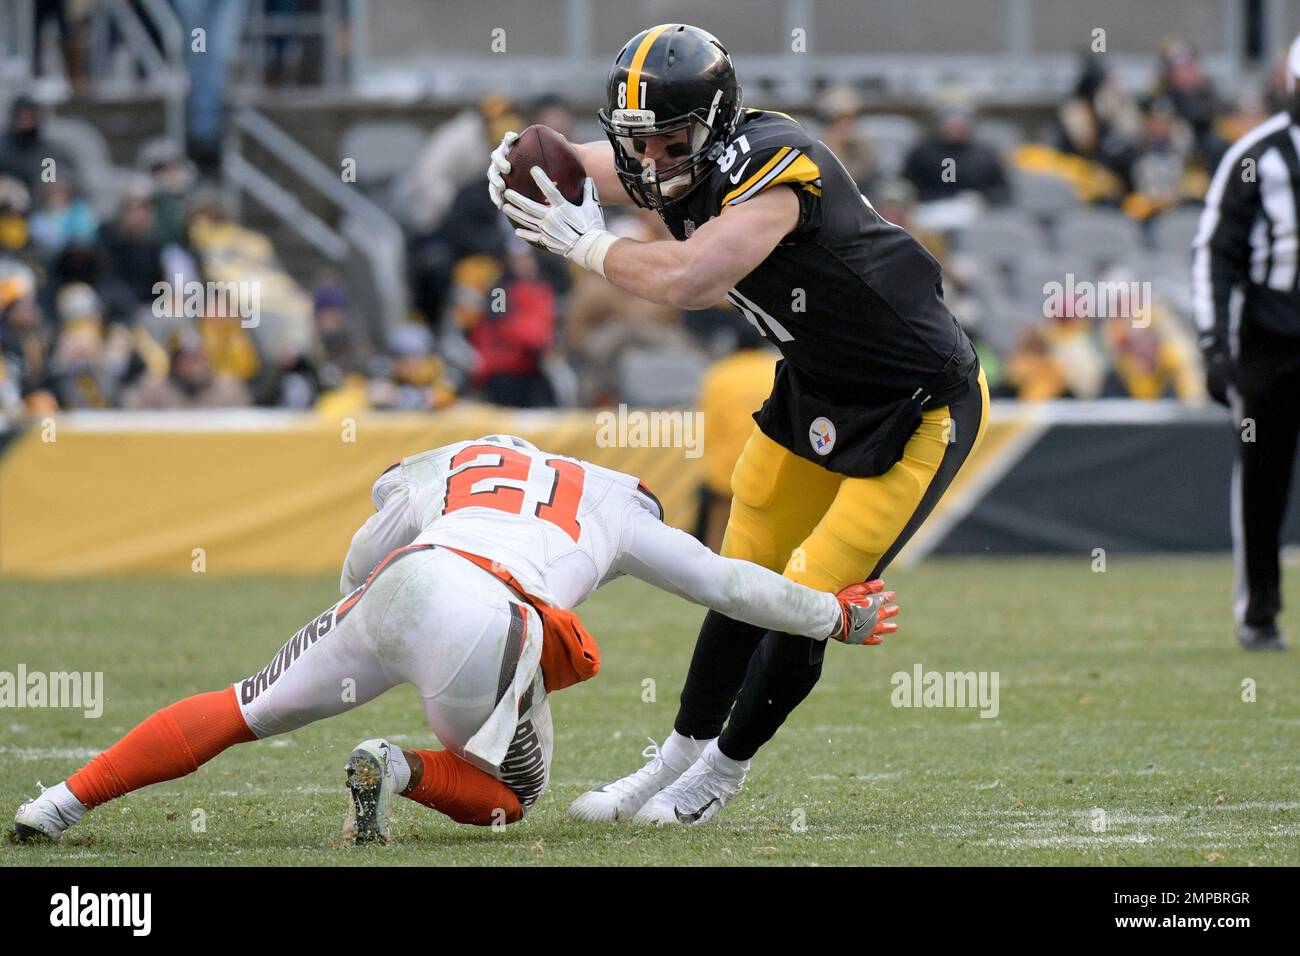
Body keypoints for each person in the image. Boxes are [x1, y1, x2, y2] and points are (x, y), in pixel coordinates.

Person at [490, 23, 989, 825]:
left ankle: (721, 774)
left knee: (804, 594)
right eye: (638, 144)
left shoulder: (774, 170)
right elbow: (584, 161)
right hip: (814, 385)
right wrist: (520, 156)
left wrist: (588, 247)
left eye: (669, 142)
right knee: (738, 576)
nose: (650, 164)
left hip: (915, 404)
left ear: (716, 125)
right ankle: (674, 760)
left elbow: (693, 277)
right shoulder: (672, 155)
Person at [14, 435, 898, 843]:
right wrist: (838, 616)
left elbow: (364, 554)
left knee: (244, 706)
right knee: (513, 797)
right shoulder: (620, 507)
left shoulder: (466, 456)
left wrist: (367, 635)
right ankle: (395, 769)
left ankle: (61, 801)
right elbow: (731, 585)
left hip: (401, 584)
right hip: (485, 612)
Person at [1192, 36, 1300, 652]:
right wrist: (1213, 344)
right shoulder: (1256, 157)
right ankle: (1259, 613)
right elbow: (1216, 253)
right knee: (1264, 482)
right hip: (1273, 346)